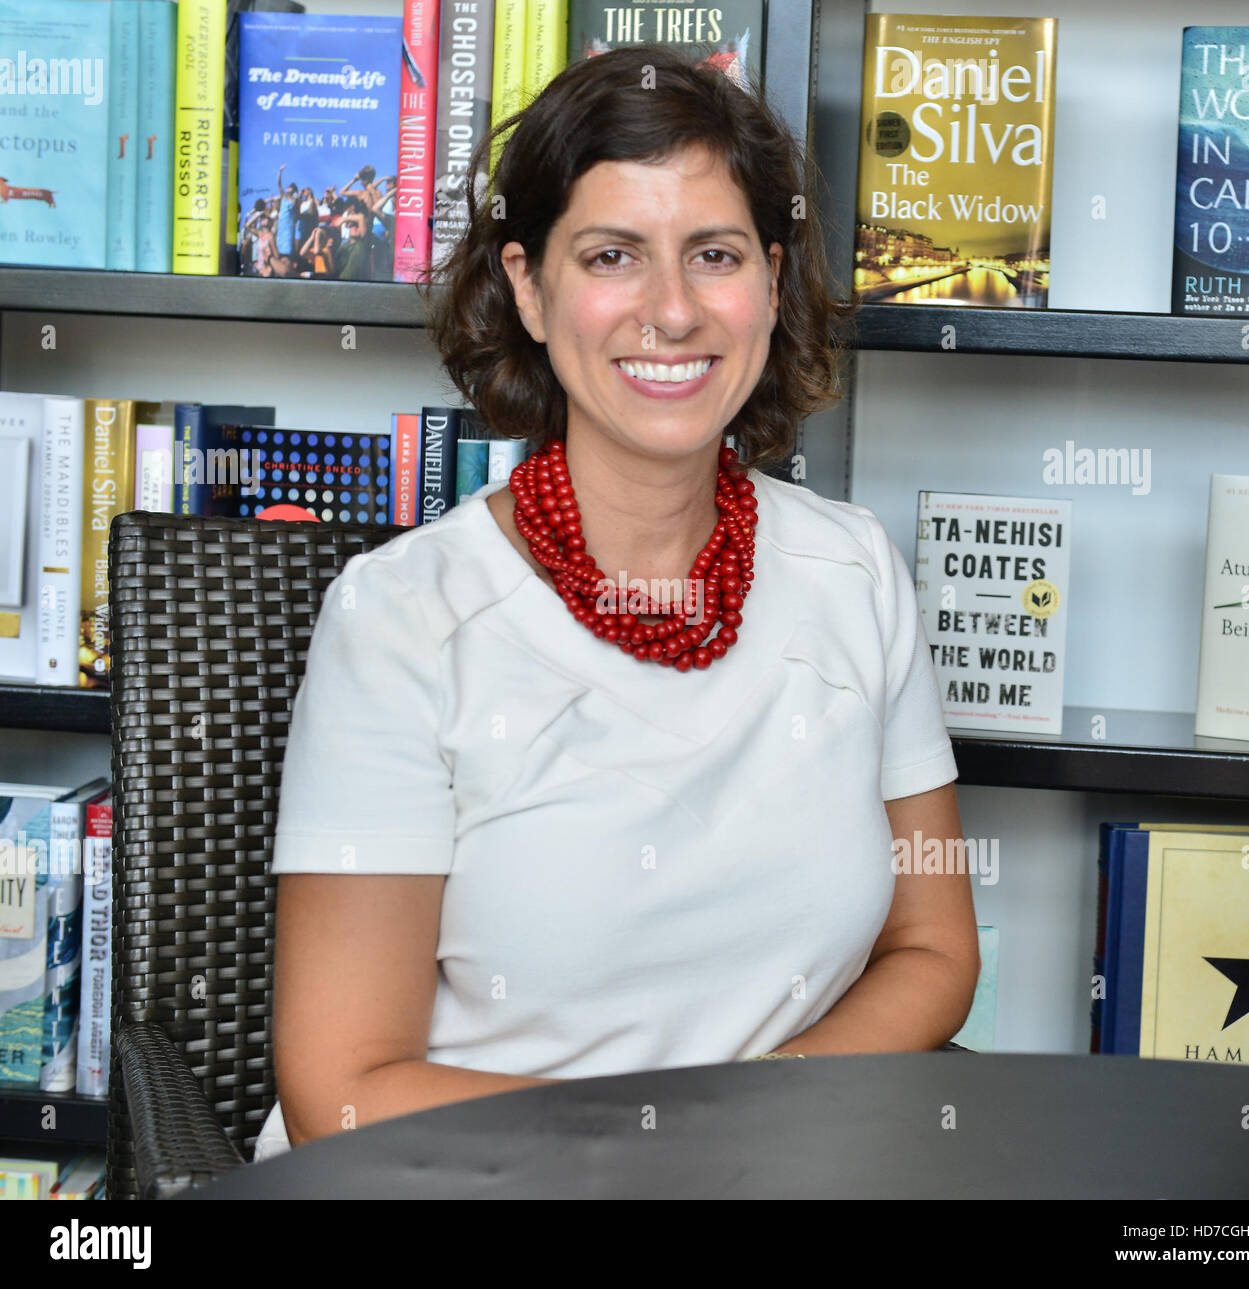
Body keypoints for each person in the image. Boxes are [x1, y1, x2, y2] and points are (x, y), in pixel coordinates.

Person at [255, 44, 980, 1162]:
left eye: (715, 255)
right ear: (532, 290)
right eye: (611, 255)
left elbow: (934, 951)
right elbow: (341, 1087)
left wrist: (749, 1126)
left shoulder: (857, 573)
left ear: (771, 285)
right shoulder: (400, 620)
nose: (672, 309)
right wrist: (662, 1155)